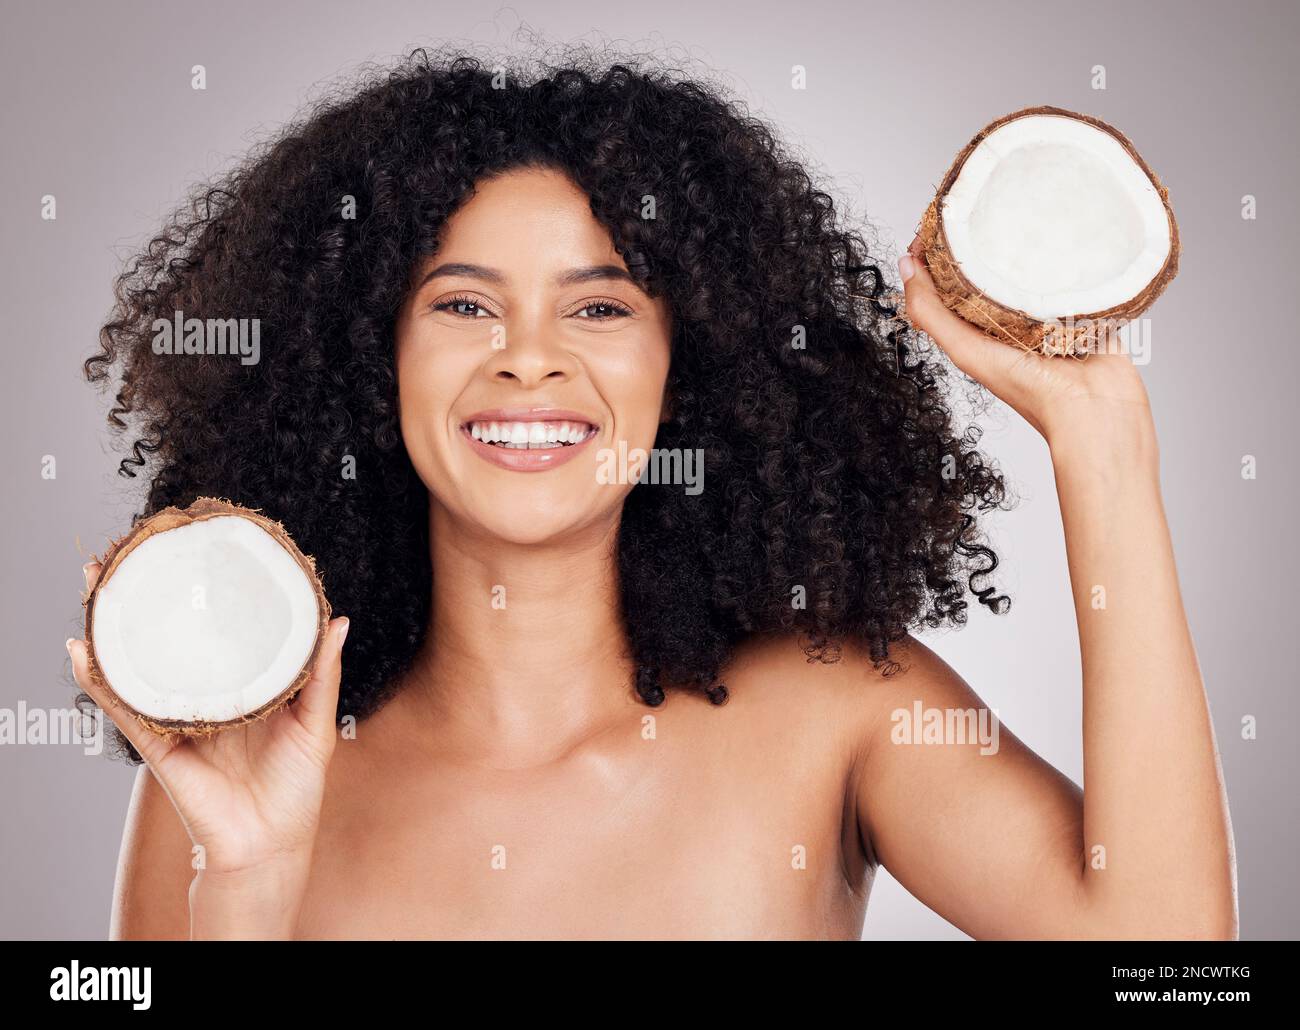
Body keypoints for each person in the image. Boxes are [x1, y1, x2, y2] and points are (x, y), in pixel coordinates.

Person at [68, 50, 1235, 940]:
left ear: (691, 368)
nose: (529, 358)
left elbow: (1166, 963)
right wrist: (250, 883)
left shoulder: (841, 713)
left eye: (601, 306)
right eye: (464, 305)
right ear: (373, 360)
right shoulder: (234, 777)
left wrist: (1101, 440)